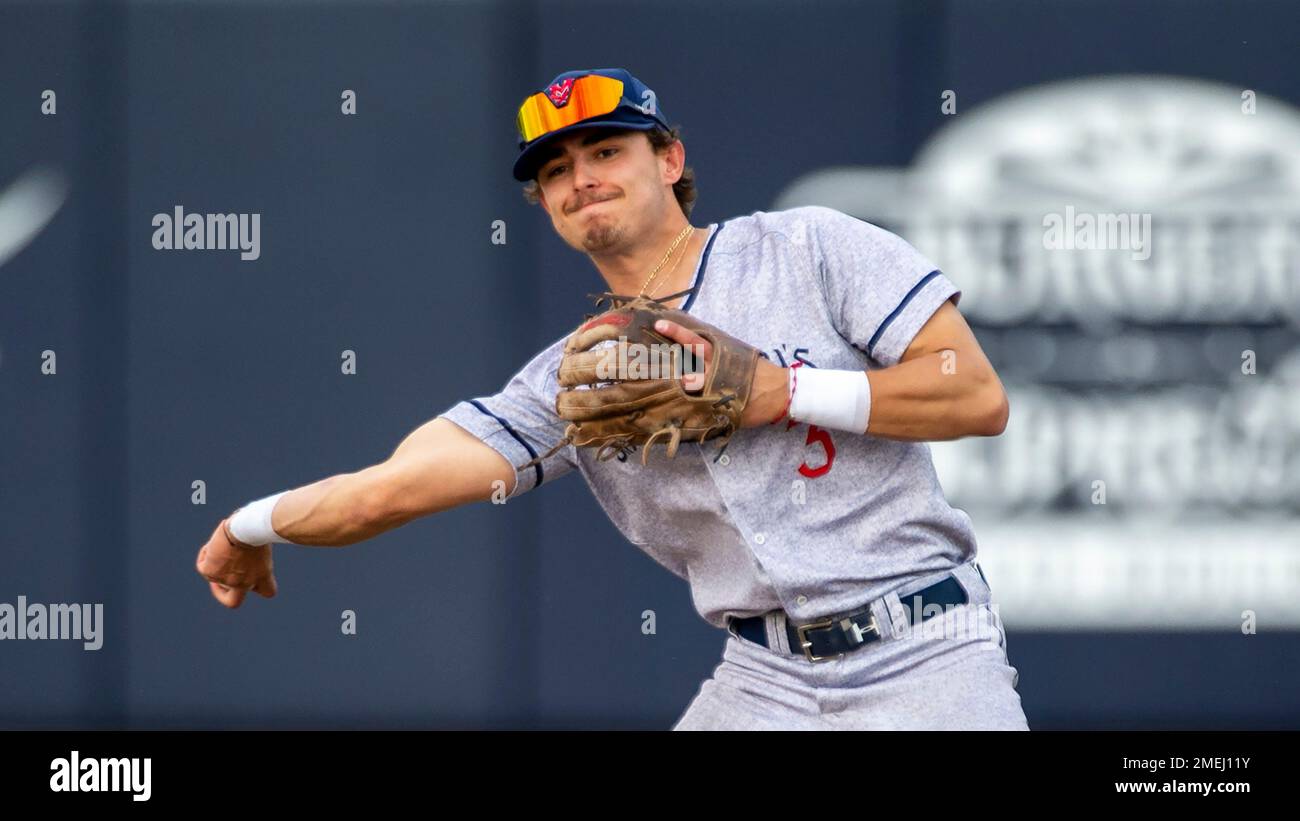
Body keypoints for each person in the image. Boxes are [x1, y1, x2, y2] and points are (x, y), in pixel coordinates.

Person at [195, 67, 1029, 731]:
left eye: (604, 151)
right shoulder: (578, 379)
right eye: (555, 170)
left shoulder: (805, 247)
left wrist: (784, 391)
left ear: (668, 160)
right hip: (766, 677)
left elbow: (976, 396)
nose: (579, 178)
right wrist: (248, 524)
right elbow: (388, 490)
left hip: (926, 649)